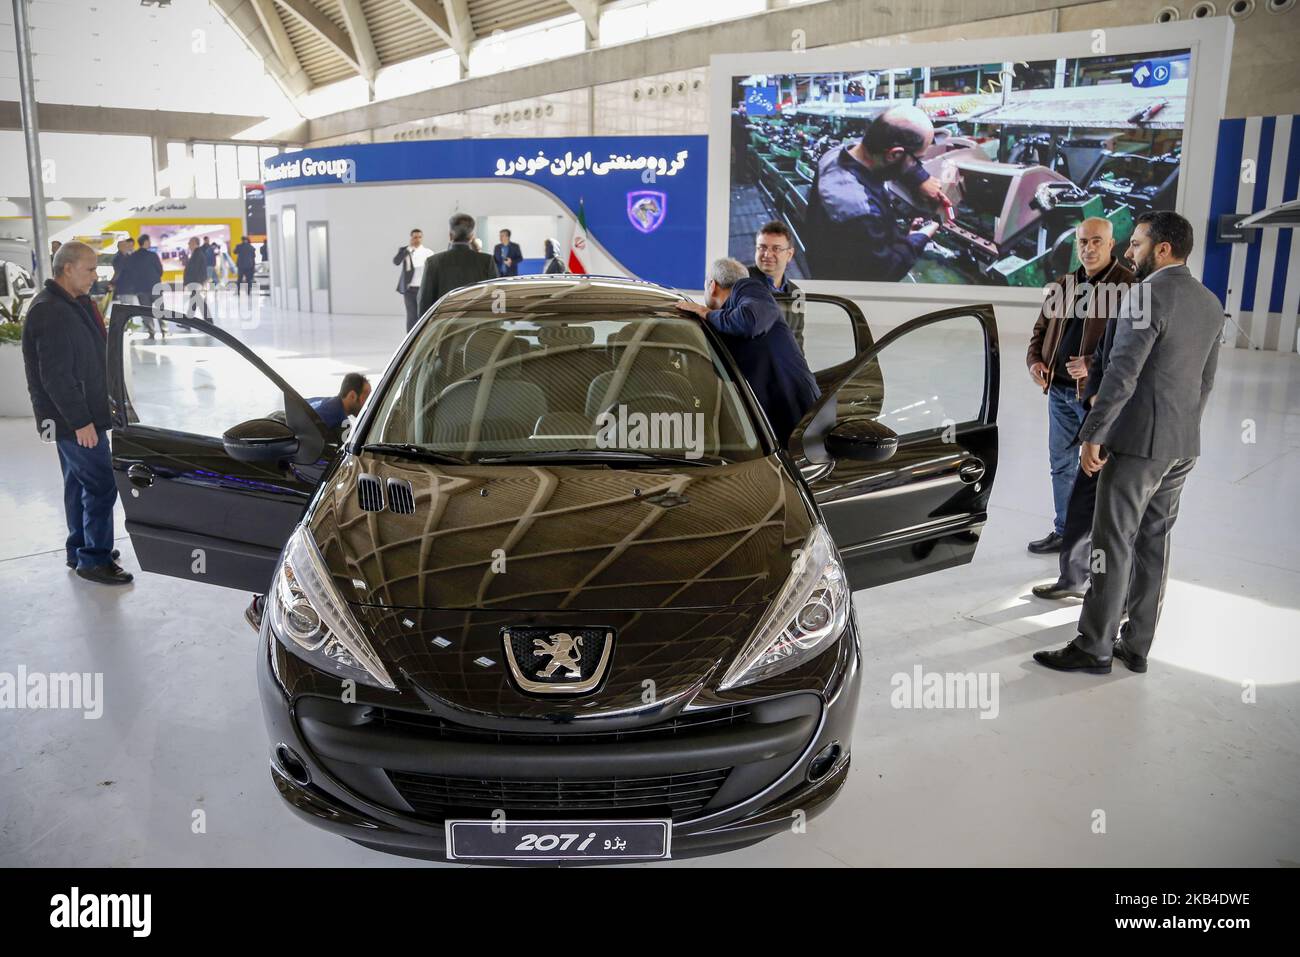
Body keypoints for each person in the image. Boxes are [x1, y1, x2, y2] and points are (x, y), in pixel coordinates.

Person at [1034, 211, 1222, 675]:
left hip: (1138, 444)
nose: (1129, 252)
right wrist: (1181, 433)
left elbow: (1121, 373)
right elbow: (1206, 382)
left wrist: (1095, 434)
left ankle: (1094, 646)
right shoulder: (1209, 302)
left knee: (1111, 542)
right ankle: (1137, 645)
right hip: (1181, 444)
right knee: (1154, 542)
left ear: (1161, 249)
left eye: (1136, 244)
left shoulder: (1144, 295)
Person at [21, 242, 131, 585]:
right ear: (67, 269)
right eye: (90, 269)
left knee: (77, 483)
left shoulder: (72, 303)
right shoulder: (50, 311)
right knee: (100, 484)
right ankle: (94, 559)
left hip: (79, 416)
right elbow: (55, 378)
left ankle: (80, 548)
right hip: (74, 420)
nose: (95, 276)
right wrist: (82, 422)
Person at [1025, 218, 1136, 556]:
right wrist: (1034, 362)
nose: (1088, 248)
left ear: (1111, 243)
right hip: (1057, 392)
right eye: (1083, 242)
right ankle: (1064, 532)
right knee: (1061, 463)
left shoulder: (1128, 287)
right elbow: (1039, 333)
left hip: (1095, 396)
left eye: (1096, 241)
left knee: (1096, 468)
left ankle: (1091, 541)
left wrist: (1091, 363)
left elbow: (1132, 345)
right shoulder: (1063, 284)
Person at [675, 257, 819, 446]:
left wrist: (707, 313)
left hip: (796, 409)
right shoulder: (721, 321)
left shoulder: (748, 288)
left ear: (712, 285)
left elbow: (749, 322)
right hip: (768, 417)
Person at [803, 106, 947, 282]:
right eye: (918, 160)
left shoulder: (835, 154)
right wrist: (918, 238)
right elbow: (882, 272)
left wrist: (920, 179)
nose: (917, 165)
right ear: (894, 155)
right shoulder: (859, 209)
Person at [416, 213, 498, 323]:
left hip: (443, 328)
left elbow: (424, 302)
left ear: (450, 235)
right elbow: (496, 297)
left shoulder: (433, 262)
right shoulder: (487, 261)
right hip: (476, 328)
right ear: (471, 236)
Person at [748, 220, 804, 353]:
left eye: (776, 249)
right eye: (762, 247)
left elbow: (797, 340)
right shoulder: (739, 282)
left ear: (789, 254)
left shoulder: (797, 294)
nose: (767, 254)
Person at [119, 233, 166, 340]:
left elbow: (129, 272)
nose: (150, 243)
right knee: (160, 309)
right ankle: (164, 331)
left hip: (140, 288)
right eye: (149, 241)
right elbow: (160, 270)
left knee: (146, 311)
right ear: (145, 242)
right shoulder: (153, 255)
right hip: (155, 287)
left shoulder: (132, 257)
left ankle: (151, 332)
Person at [393, 228, 434, 330]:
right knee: (411, 316)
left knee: (423, 314)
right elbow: (396, 262)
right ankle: (410, 340)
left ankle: (422, 336)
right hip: (409, 289)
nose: (417, 239)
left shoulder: (428, 252)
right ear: (411, 238)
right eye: (415, 237)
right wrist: (407, 250)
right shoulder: (405, 250)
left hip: (423, 288)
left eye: (420, 237)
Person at [183, 236, 210, 320]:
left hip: (197, 283)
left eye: (190, 242)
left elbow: (195, 270)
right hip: (197, 283)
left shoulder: (198, 254)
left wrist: (194, 283)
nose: (188, 244)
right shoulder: (196, 253)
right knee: (195, 303)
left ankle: (209, 322)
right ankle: (188, 322)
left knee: (200, 303)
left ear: (195, 243)